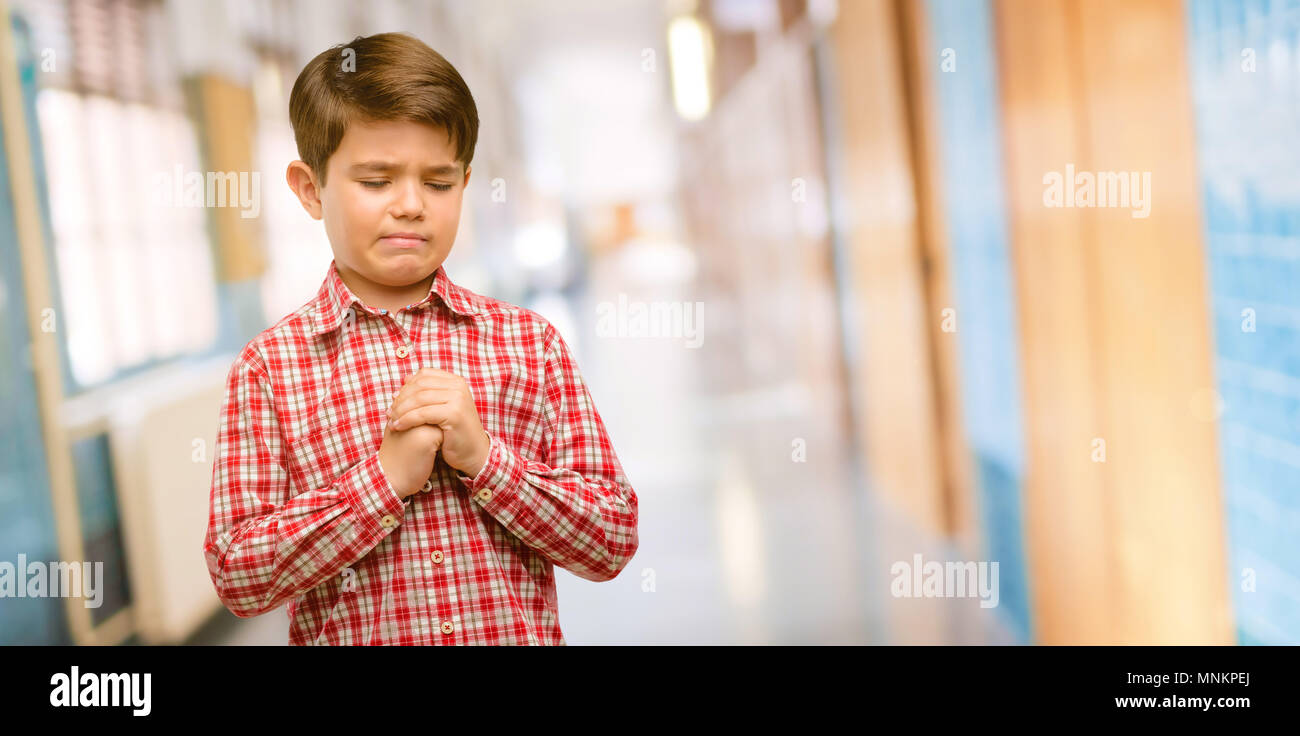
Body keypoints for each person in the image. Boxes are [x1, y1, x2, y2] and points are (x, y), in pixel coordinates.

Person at [202, 32, 638, 645]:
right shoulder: (270, 369)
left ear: (464, 182)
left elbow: (611, 537)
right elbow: (238, 574)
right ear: (310, 189)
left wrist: (487, 461)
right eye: (377, 181)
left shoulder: (529, 344)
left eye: (438, 183)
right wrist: (380, 483)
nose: (411, 205)